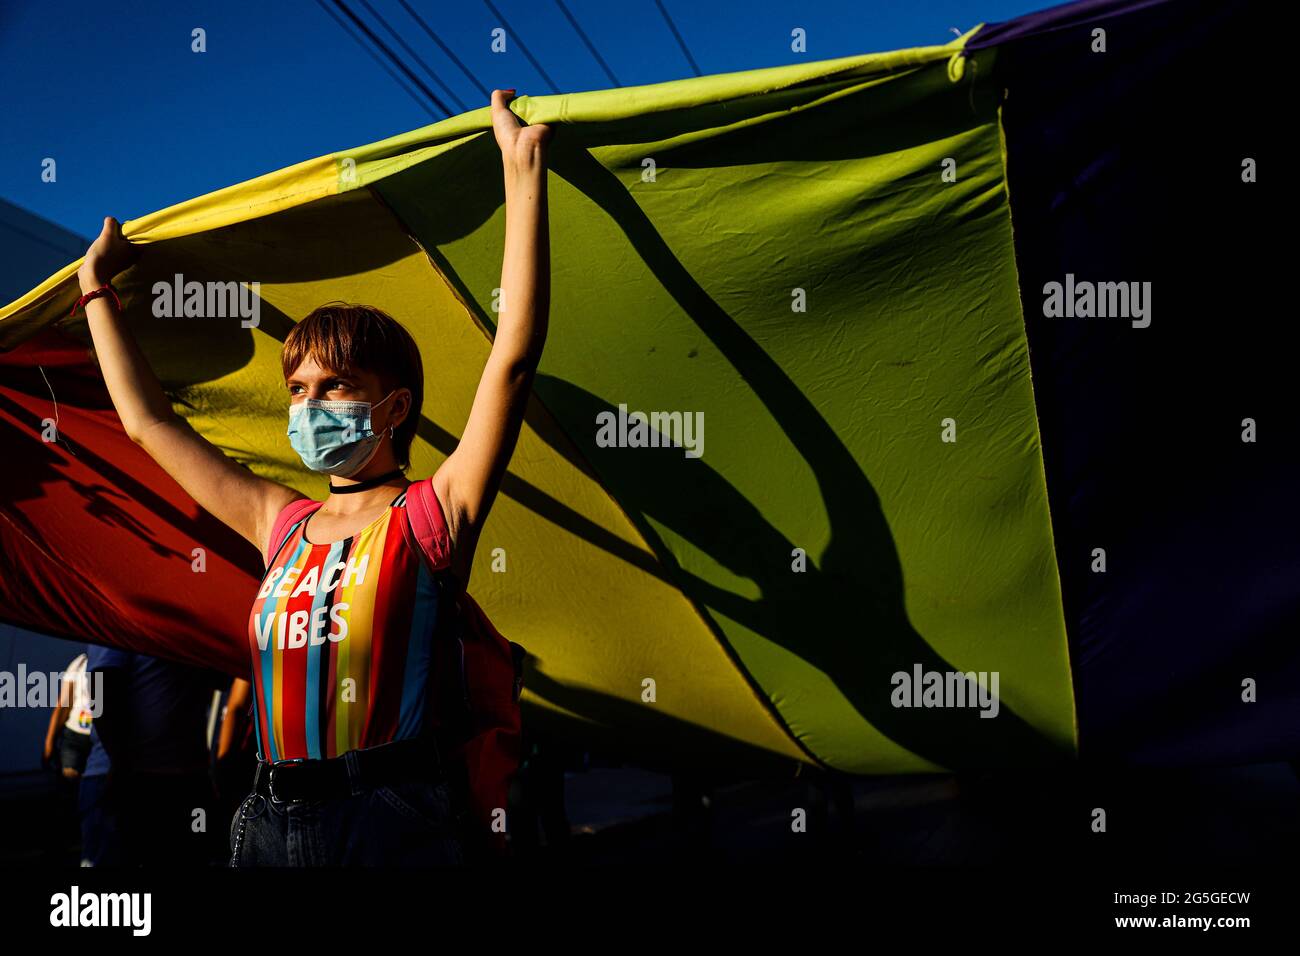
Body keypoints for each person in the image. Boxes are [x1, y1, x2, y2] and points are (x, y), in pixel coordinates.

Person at [74, 89, 551, 866]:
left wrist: (521, 170)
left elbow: (514, 359)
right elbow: (148, 423)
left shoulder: (436, 513)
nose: (309, 406)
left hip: (393, 822)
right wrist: (96, 291)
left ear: (393, 407)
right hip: (264, 820)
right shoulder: (279, 522)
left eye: (334, 387)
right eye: (298, 388)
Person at [78, 644, 221, 867]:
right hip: (129, 777)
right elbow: (101, 687)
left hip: (185, 779)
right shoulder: (122, 614)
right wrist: (121, 764)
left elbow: (219, 678)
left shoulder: (187, 619)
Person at [43, 650, 95, 780]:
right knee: (69, 785)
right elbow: (63, 706)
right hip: (74, 737)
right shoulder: (80, 663)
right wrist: (49, 744)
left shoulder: (117, 661)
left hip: (100, 740)